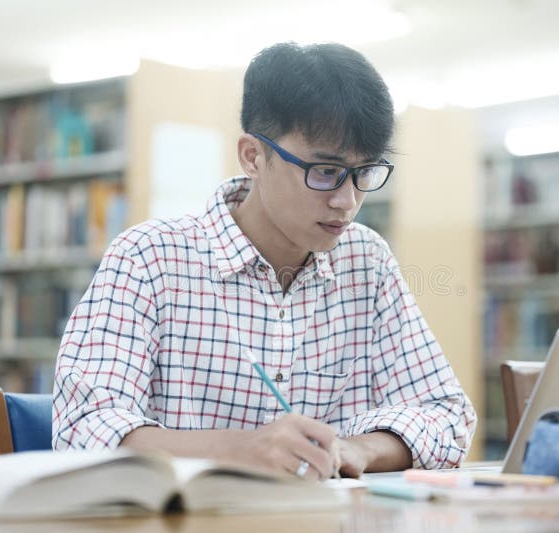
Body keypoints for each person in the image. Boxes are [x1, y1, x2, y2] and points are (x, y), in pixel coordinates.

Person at [53, 42, 477, 480]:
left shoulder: (366, 261)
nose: (347, 201)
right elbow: (82, 430)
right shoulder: (148, 258)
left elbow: (446, 416)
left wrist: (357, 450)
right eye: (326, 172)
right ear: (253, 156)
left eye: (364, 172)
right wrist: (242, 449)